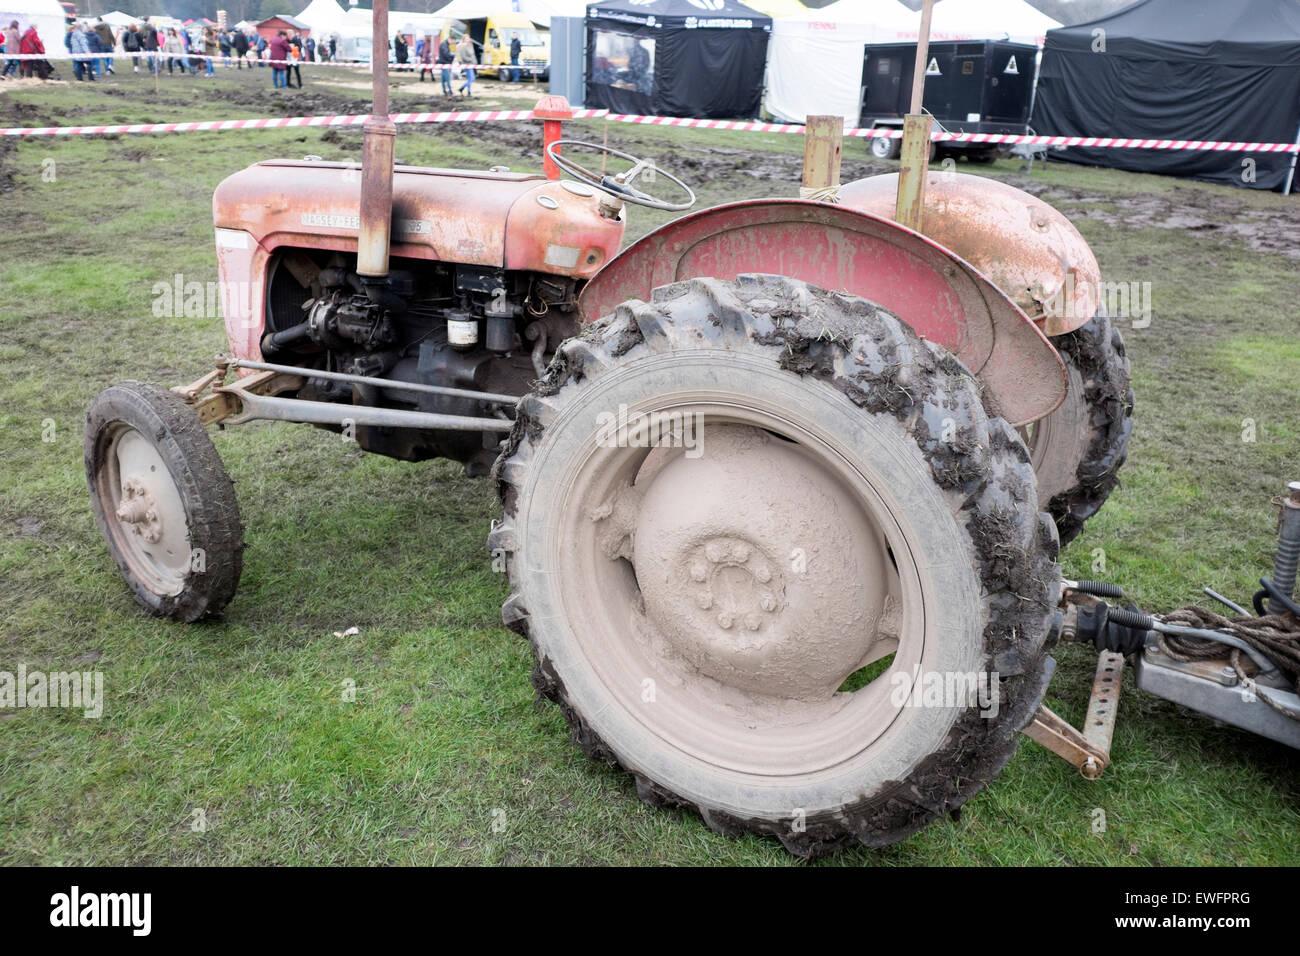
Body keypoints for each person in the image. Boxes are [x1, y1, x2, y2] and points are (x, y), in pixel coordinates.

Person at [454, 33, 475, 97]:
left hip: (470, 64)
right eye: (466, 39)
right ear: (464, 39)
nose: (468, 40)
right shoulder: (462, 46)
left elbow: (472, 54)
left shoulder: (469, 45)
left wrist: (473, 61)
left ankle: (462, 89)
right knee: (471, 79)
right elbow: (463, 56)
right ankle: (467, 91)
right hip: (466, 64)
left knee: (471, 78)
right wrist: (470, 60)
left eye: (468, 38)